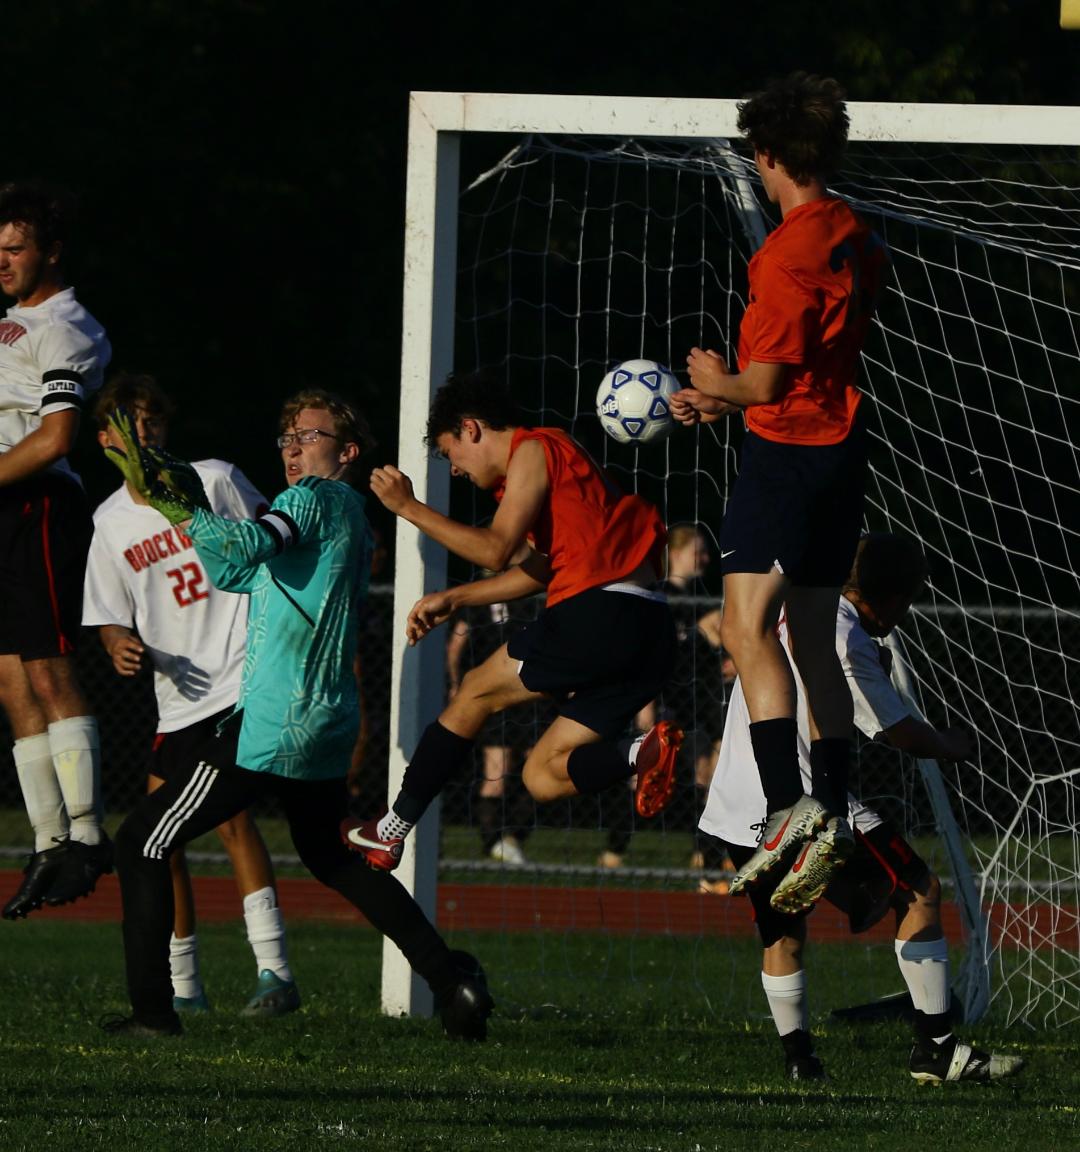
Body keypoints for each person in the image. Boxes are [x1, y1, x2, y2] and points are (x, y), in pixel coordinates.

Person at [101, 388, 492, 1039]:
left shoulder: (309, 499)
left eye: (308, 436)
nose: (291, 447)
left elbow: (252, 541)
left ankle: (153, 1013)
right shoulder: (348, 516)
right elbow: (234, 569)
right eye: (286, 437)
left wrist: (178, 505)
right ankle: (451, 981)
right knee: (331, 858)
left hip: (274, 722)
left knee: (139, 839)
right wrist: (189, 511)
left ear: (348, 451)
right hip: (325, 723)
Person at [671, 73, 889, 911]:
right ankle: (830, 809)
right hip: (841, 447)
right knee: (807, 638)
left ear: (768, 155)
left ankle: (782, 813)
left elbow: (763, 387)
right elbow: (806, 369)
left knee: (741, 624)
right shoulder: (854, 232)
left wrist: (714, 379)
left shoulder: (785, 253)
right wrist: (719, 398)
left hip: (787, 455)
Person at [699, 533, 1024, 1083]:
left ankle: (801, 1062)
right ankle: (936, 1049)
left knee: (784, 933)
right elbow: (897, 730)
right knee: (919, 890)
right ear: (893, 597)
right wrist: (952, 745)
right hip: (807, 807)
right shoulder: (843, 633)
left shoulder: (786, 609)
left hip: (734, 804)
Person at [341, 372, 681, 871]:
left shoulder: (534, 448)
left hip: (599, 611)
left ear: (470, 429)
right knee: (541, 776)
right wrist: (457, 597)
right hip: (649, 628)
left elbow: (497, 549)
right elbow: (538, 569)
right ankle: (639, 754)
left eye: (448, 451)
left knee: (474, 691)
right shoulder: (560, 466)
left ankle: (389, 830)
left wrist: (407, 507)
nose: (453, 469)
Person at [83, 373, 300, 1017]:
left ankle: (274, 971)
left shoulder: (214, 477)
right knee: (157, 839)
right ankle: (184, 988)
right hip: (177, 699)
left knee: (230, 820)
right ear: (104, 440)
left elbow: (274, 541)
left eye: (153, 421)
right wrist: (119, 644)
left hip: (240, 676)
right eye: (130, 424)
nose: (144, 434)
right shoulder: (110, 521)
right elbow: (107, 613)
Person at [0, 182, 113, 920]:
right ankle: (47, 843)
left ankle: (88, 836)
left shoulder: (68, 326)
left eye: (15, 248)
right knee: (10, 678)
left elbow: (56, 437)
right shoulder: (10, 320)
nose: (2, 261)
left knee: (46, 669)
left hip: (37, 504)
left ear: (50, 251)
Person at [598, 524, 732, 881]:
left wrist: (732, 658)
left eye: (705, 551)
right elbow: (644, 652)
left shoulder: (701, 596)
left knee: (707, 773)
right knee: (647, 777)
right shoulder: (660, 595)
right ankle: (613, 850)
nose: (704, 558)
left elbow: (715, 639)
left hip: (697, 699)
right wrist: (646, 705)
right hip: (663, 697)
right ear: (675, 553)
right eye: (697, 550)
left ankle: (706, 855)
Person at [445, 593, 545, 865]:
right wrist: (455, 683)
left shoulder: (535, 598)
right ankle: (492, 841)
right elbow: (456, 644)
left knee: (537, 767)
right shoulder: (482, 599)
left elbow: (455, 645)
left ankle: (511, 838)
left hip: (531, 696)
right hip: (498, 695)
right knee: (497, 771)